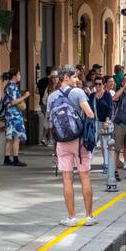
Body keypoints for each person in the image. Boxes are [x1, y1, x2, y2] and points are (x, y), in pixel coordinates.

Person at [50, 66, 97, 226]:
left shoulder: (52, 97)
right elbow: (90, 114)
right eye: (75, 77)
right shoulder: (78, 93)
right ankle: (89, 217)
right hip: (80, 142)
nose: (77, 80)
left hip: (62, 143)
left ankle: (71, 218)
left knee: (67, 179)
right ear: (66, 78)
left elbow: (51, 123)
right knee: (84, 176)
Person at [0, 70, 30, 166]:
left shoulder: (9, 86)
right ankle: (15, 159)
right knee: (16, 137)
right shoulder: (12, 86)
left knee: (10, 138)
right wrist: (25, 96)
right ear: (14, 76)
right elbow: (13, 102)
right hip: (14, 115)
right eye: (19, 74)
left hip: (10, 115)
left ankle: (7, 158)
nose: (20, 76)